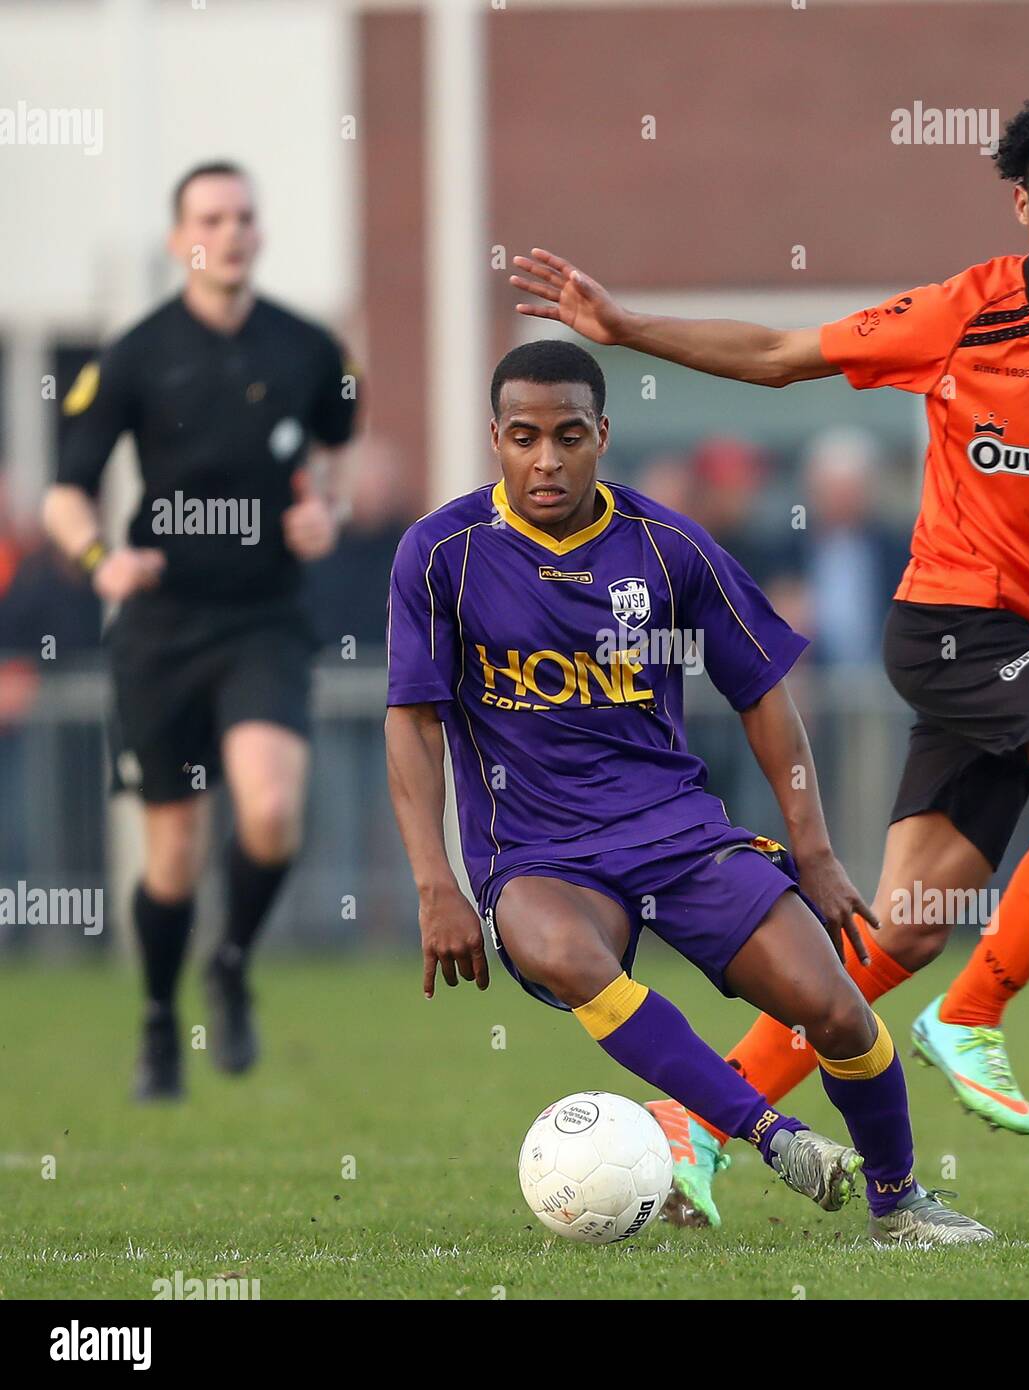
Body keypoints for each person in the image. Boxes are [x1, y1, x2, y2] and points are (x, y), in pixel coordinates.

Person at [511, 86, 1029, 1226]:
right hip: (948, 626)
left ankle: (697, 1123)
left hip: (1021, 644)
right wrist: (626, 327)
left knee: (902, 929)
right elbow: (784, 352)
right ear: (1019, 206)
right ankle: (974, 1016)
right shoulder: (963, 312)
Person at [384, 340, 992, 1244]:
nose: (545, 458)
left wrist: (815, 851)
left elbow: (764, 697)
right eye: (523, 437)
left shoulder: (669, 547)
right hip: (538, 852)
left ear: (602, 435)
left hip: (676, 833)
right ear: (495, 440)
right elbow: (414, 718)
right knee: (567, 954)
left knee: (834, 1006)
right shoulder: (442, 553)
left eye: (567, 435)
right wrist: (436, 879)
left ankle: (900, 1204)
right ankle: (770, 1133)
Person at [44, 161, 360, 1100]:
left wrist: (328, 514)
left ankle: (230, 965)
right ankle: (155, 1018)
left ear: (260, 234)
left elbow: (340, 457)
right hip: (163, 626)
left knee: (269, 810)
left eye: (244, 217)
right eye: (210, 217)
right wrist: (104, 562)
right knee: (172, 854)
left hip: (263, 617)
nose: (230, 232)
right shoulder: (135, 354)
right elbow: (66, 493)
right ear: (182, 235)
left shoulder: (307, 348)